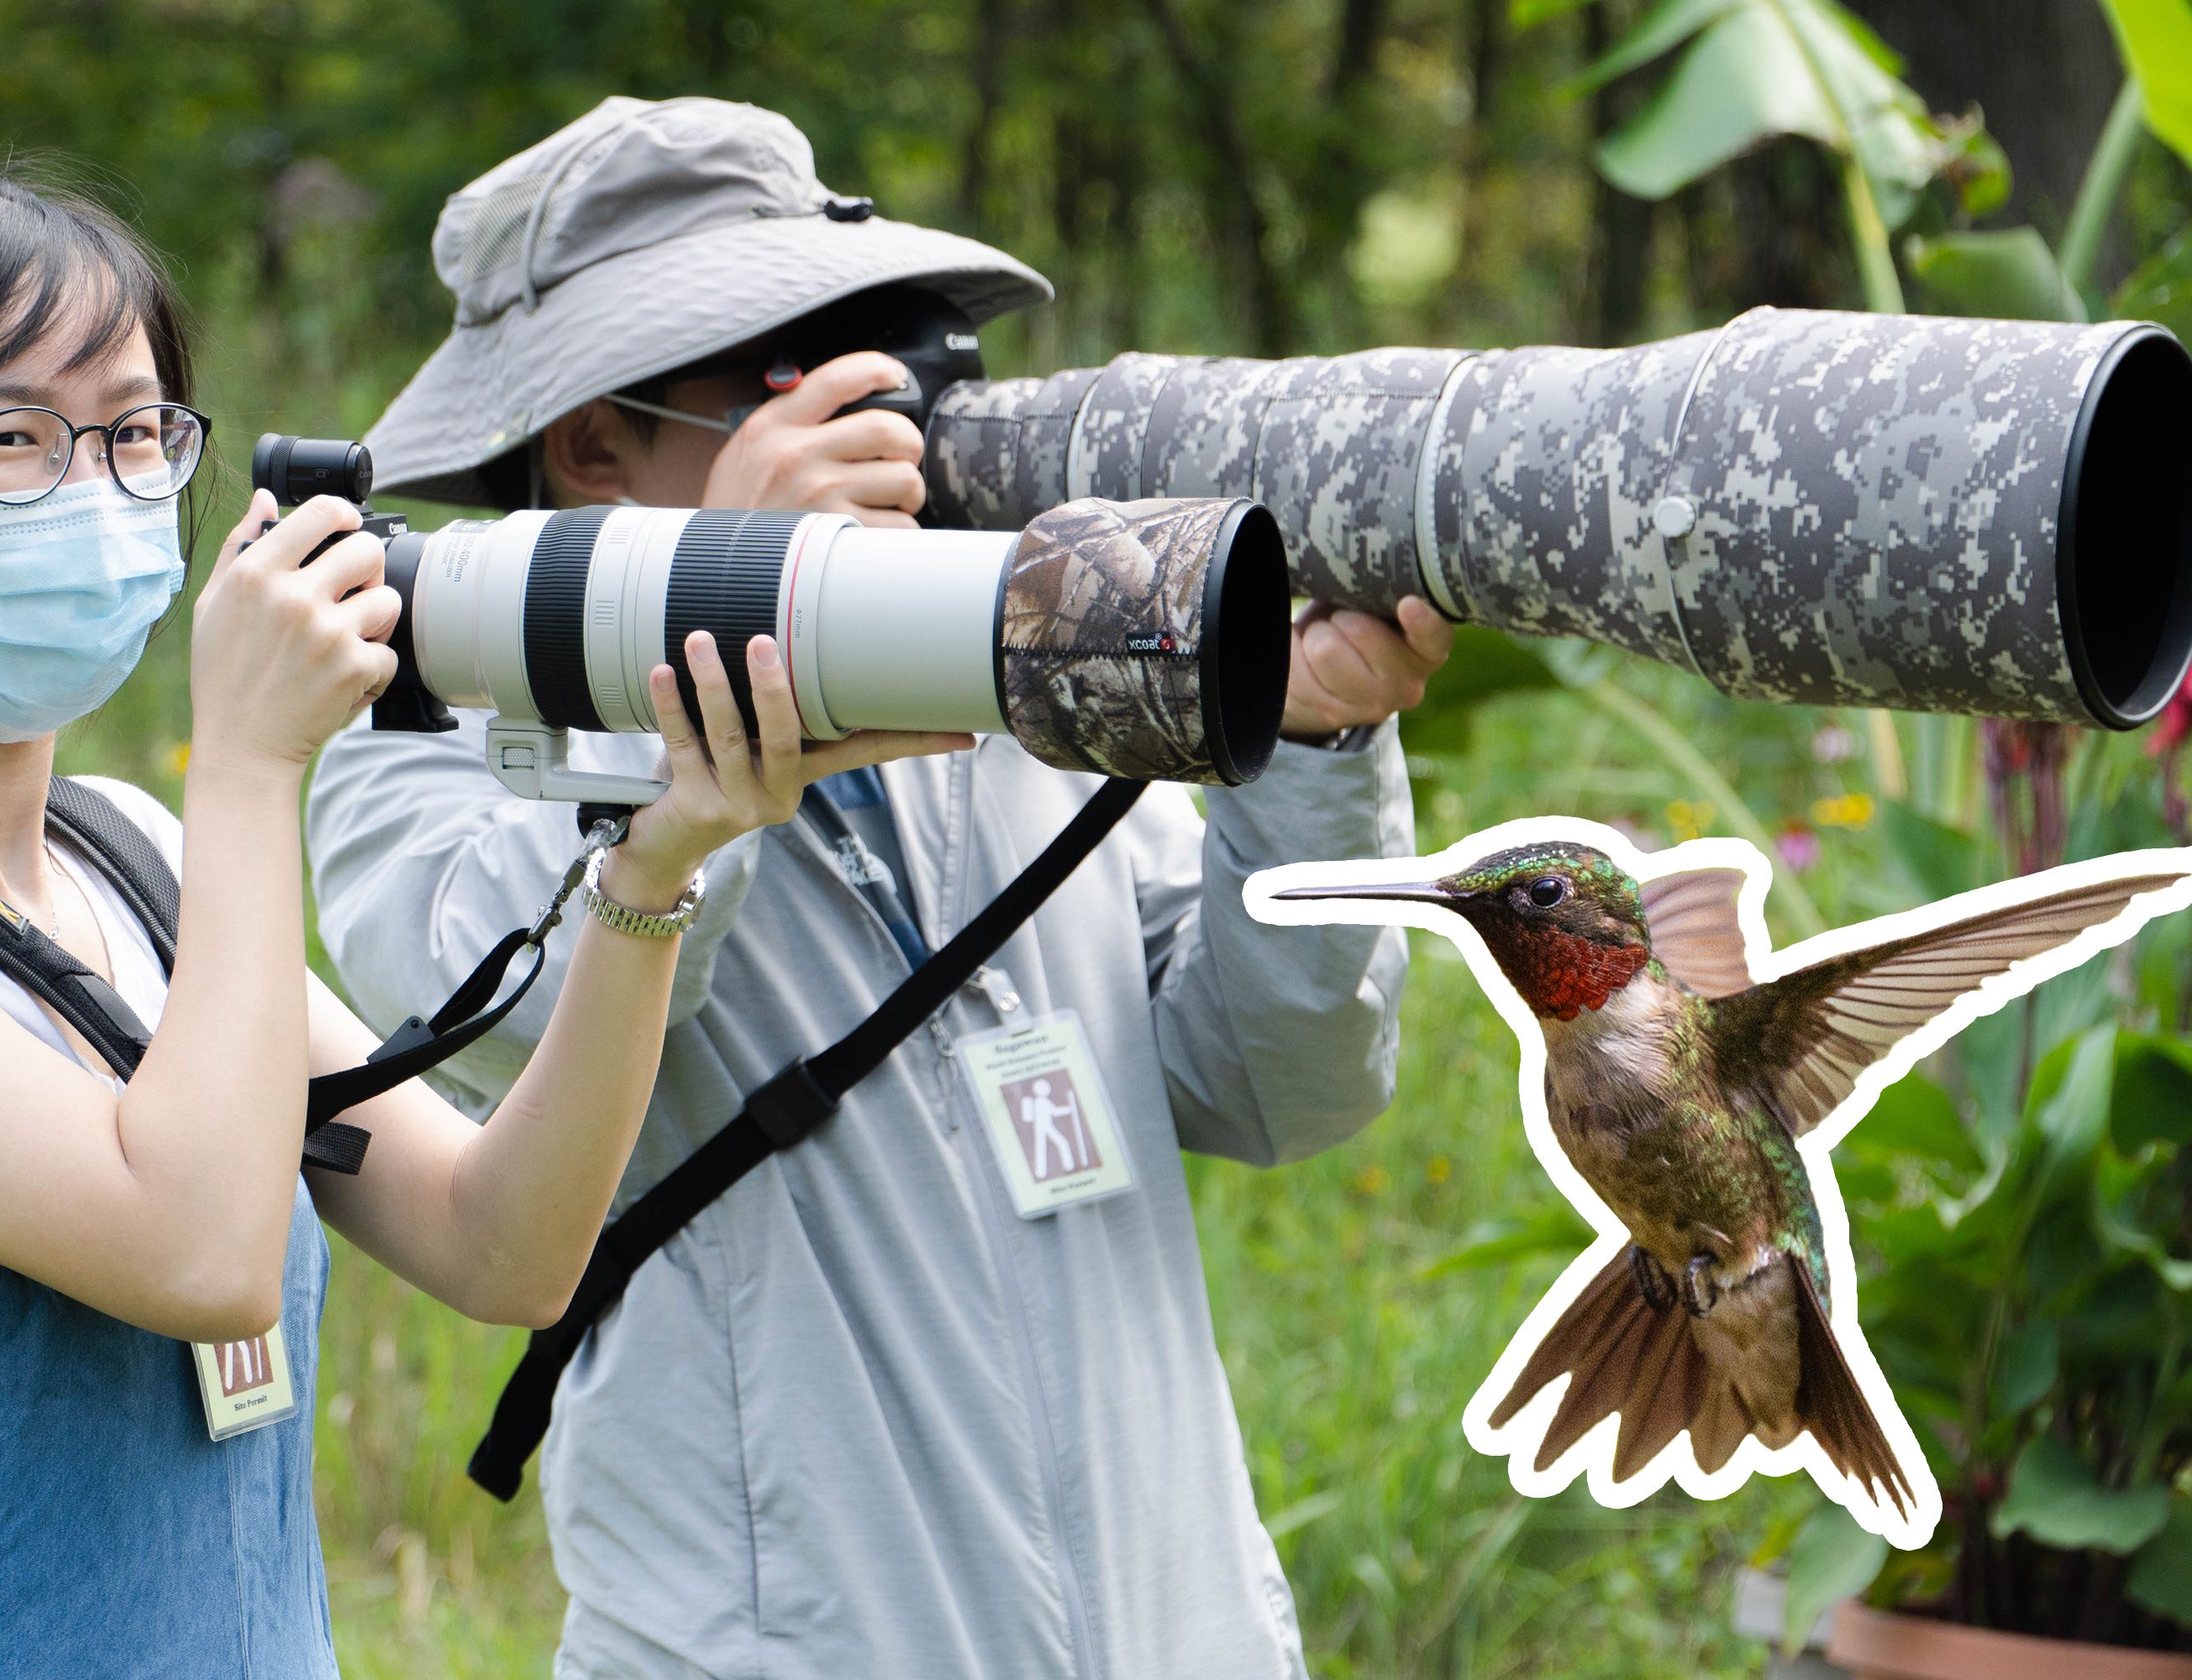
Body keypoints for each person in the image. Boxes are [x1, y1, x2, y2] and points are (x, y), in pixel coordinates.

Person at [0, 160, 961, 1673]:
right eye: (10, 439)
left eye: (135, 432)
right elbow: (199, 1258)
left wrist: (649, 874)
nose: (94, 489)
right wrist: (254, 761)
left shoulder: (130, 854)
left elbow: (504, 1249)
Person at [309, 98, 1454, 1678]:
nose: (878, 423)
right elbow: (503, 1026)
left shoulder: (1008, 664)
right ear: (591, 445)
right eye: (788, 370)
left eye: (879, 351)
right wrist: (717, 610)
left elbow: (1280, 1088)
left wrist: (1313, 741)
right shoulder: (428, 710)